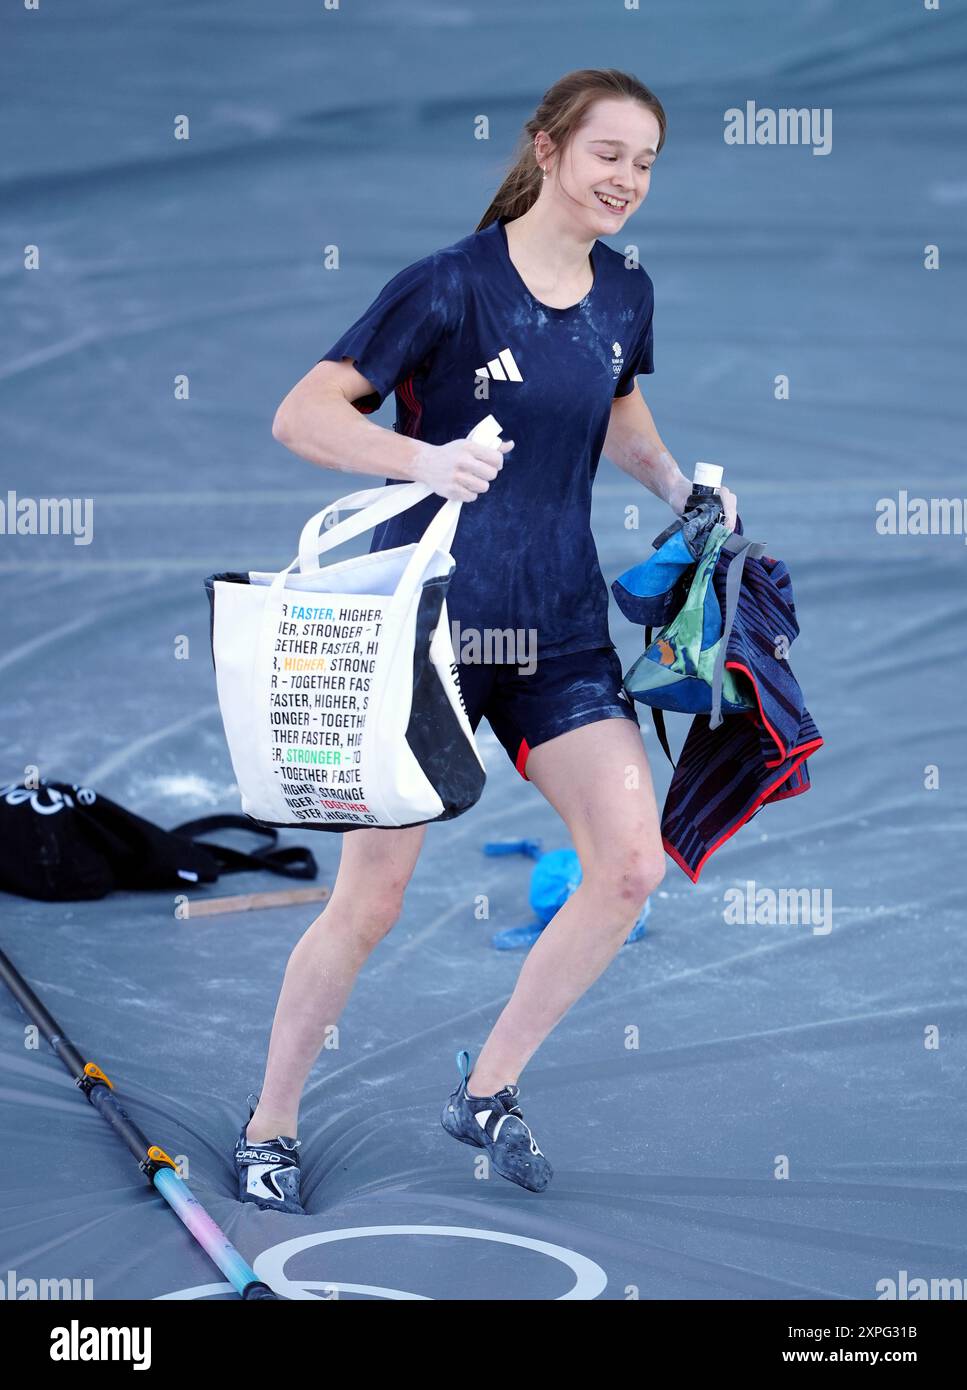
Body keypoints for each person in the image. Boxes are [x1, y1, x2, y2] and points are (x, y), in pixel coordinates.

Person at [233, 67, 738, 1214]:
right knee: (370, 902)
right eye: (609, 153)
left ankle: (488, 1088)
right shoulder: (449, 287)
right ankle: (269, 1122)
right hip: (432, 630)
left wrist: (679, 488)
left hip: (557, 629)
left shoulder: (625, 292)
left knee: (626, 865)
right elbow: (301, 412)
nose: (627, 180)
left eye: (647, 163)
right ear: (550, 150)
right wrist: (422, 458)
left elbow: (615, 406)